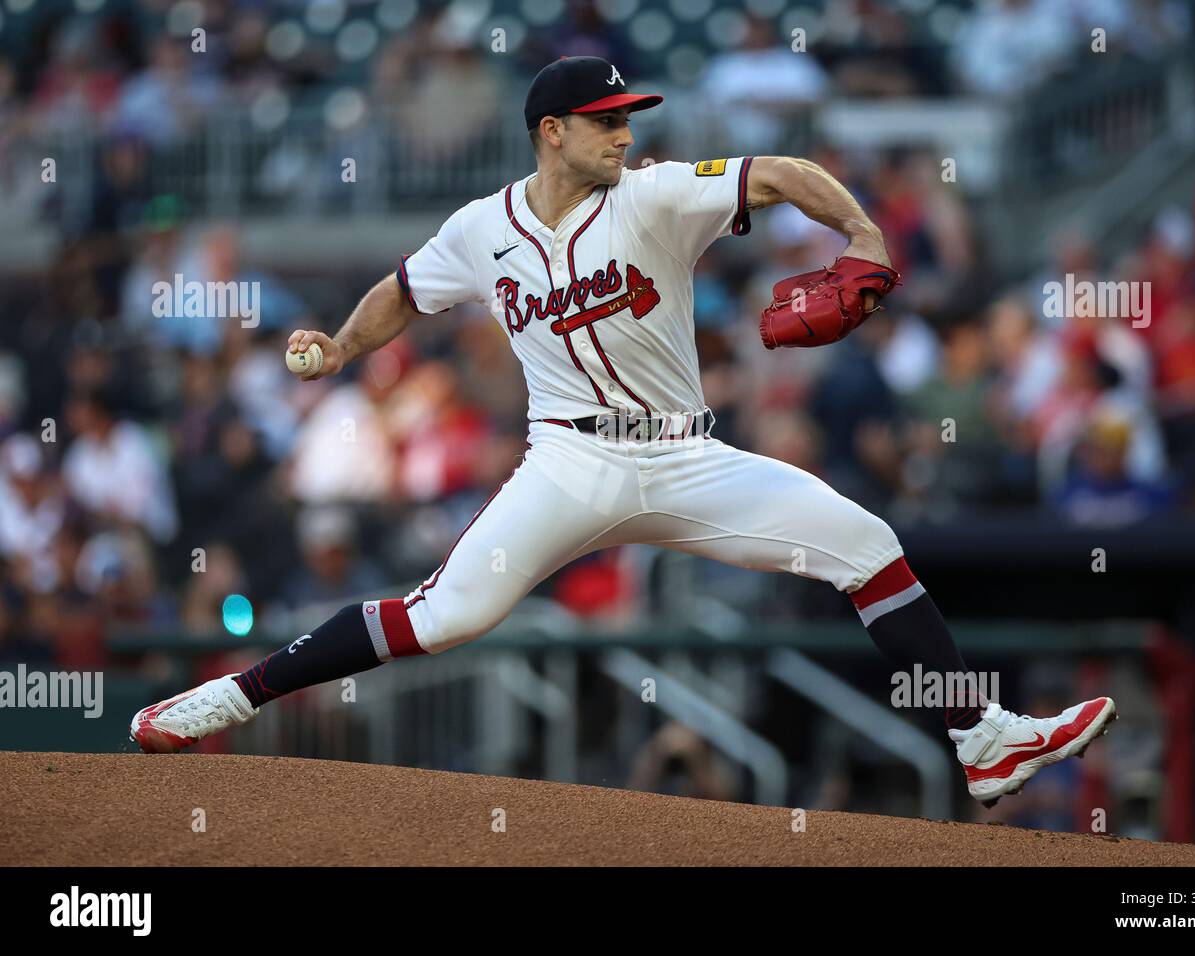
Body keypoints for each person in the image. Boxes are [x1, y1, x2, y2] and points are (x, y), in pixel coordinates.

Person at [130, 57, 1115, 809]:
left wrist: (859, 235)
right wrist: (341, 347)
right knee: (445, 618)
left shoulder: (656, 194)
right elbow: (403, 290)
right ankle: (228, 696)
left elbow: (781, 172)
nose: (622, 132)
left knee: (867, 544)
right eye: (604, 122)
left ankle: (979, 736)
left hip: (687, 456)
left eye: (626, 118)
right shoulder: (484, 227)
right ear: (551, 132)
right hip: (570, 458)